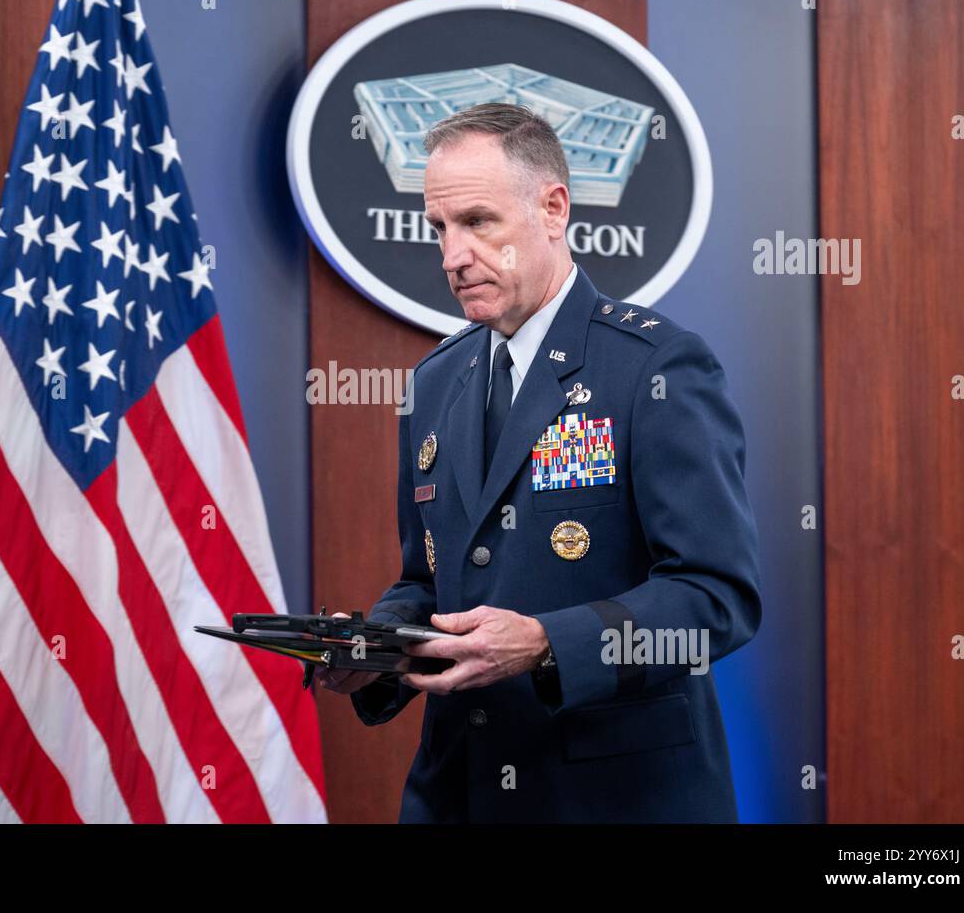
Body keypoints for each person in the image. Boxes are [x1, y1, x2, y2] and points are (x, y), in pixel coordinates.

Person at [318, 102, 761, 822]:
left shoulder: (655, 366)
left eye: (478, 222)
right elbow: (427, 581)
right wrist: (379, 646)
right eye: (439, 229)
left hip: (611, 798)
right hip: (457, 791)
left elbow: (717, 599)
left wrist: (549, 643)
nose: (452, 256)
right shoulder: (435, 381)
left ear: (553, 208)